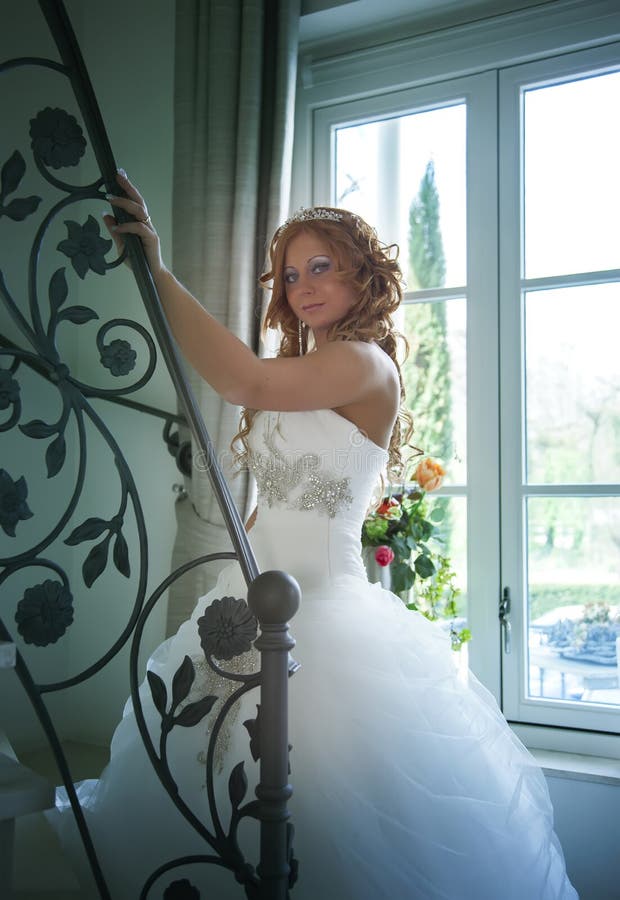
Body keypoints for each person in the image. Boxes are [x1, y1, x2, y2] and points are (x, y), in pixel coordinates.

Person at [53, 172, 578, 899]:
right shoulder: (308, 368)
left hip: (326, 621)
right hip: (249, 604)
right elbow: (271, 492)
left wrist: (158, 270)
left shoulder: (365, 364)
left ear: (364, 274)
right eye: (292, 273)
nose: (302, 284)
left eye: (321, 266)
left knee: (319, 821)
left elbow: (245, 383)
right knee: (206, 793)